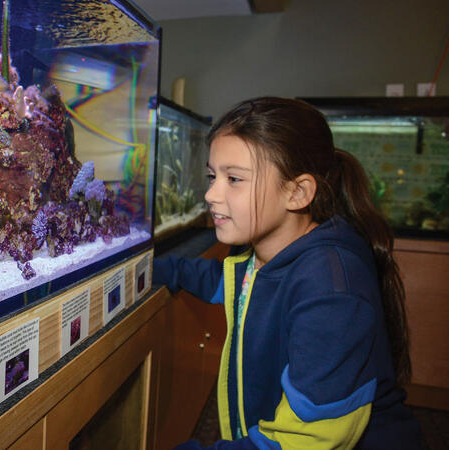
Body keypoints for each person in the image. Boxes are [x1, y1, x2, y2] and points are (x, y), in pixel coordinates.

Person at [154, 97, 423, 449]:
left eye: (234, 179)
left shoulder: (329, 289)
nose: (211, 194)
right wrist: (151, 269)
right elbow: (225, 281)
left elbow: (304, 439)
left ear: (297, 192)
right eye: (212, 176)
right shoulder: (263, 257)